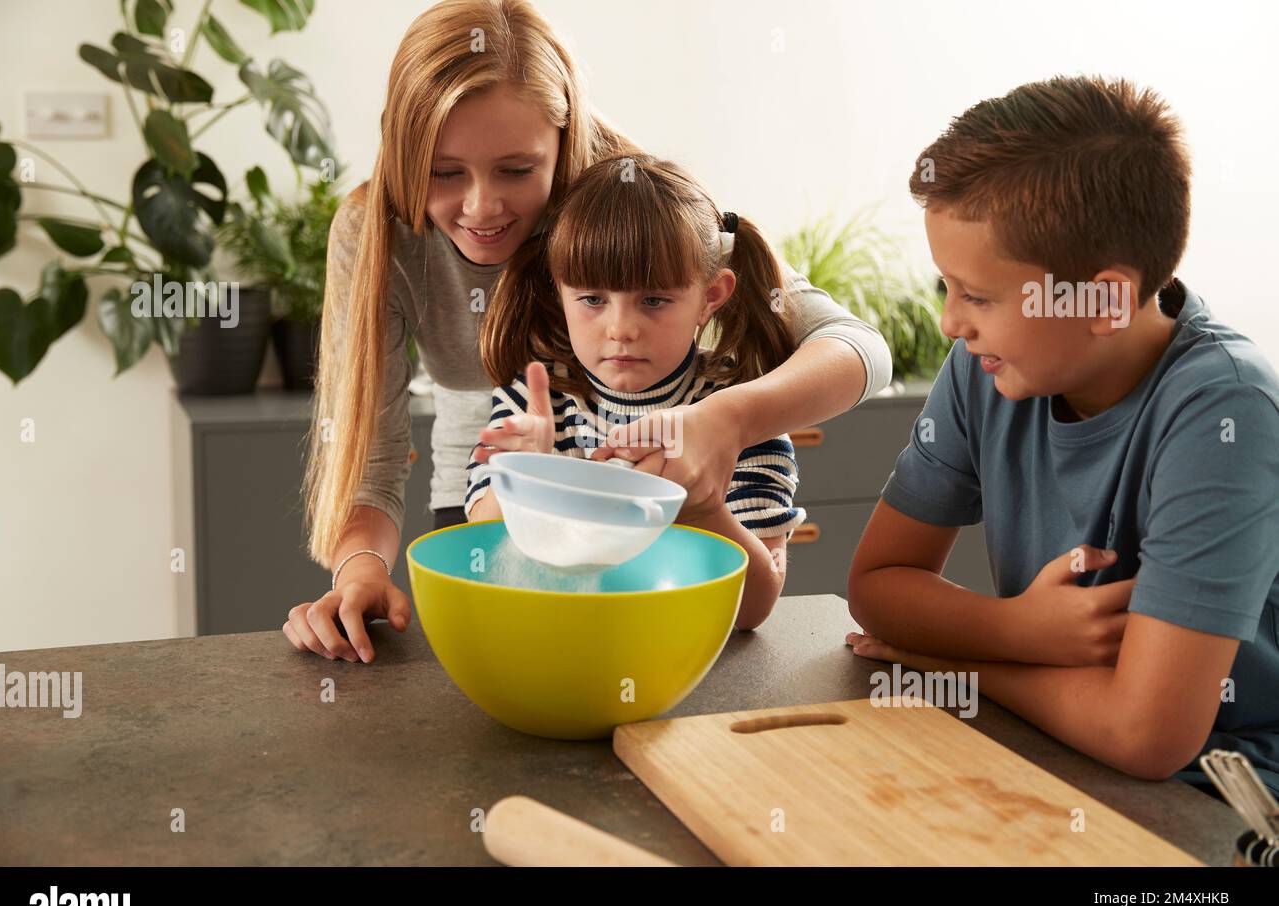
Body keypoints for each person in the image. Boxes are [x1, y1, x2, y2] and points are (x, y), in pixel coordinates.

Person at [286, 0, 892, 663]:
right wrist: (362, 571)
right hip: (488, 494)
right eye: (443, 171)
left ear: (565, 138)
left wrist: (729, 421)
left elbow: (863, 350)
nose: (482, 206)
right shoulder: (377, 236)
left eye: (516, 170)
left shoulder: (624, 201)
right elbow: (373, 459)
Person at [846, 76, 1279, 795]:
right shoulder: (986, 365)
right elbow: (878, 585)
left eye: (978, 296)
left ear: (1104, 300)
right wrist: (1022, 631)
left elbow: (1148, 736)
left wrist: (962, 666)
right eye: (946, 287)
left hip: (1221, 790)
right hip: (1060, 742)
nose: (951, 322)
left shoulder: (1224, 411)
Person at [466, 154, 808, 629]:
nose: (621, 328)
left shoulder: (744, 415)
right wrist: (527, 477)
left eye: (653, 301)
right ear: (558, 291)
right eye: (592, 300)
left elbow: (753, 609)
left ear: (711, 296)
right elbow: (483, 558)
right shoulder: (533, 401)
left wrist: (704, 507)